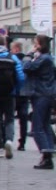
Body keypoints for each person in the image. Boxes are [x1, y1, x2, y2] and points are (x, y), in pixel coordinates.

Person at [25, 35, 56, 169]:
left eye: (36, 44)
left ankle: (46, 156)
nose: (34, 46)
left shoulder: (43, 59)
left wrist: (29, 54)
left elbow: (27, 67)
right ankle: (48, 154)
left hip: (41, 94)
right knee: (45, 125)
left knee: (37, 127)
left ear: (41, 45)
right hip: (46, 94)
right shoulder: (48, 58)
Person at [14, 39, 33, 151]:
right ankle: (22, 143)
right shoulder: (29, 60)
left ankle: (6, 139)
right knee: (23, 119)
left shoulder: (12, 59)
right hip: (25, 94)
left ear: (16, 49)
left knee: (8, 118)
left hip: (14, 93)